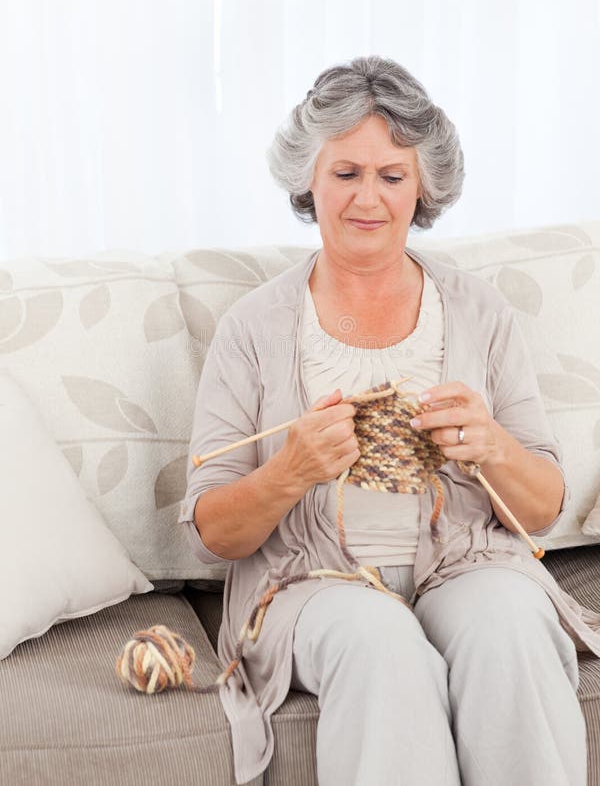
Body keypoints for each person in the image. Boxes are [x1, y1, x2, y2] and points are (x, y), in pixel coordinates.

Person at [179, 56, 600, 786]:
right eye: (346, 173)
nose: (367, 197)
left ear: (424, 186)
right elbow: (211, 533)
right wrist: (289, 472)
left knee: (510, 629)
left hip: (467, 562)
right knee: (382, 644)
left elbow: (542, 511)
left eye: (392, 176)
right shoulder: (253, 327)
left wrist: (494, 448)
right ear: (309, 179)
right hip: (309, 582)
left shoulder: (480, 312)